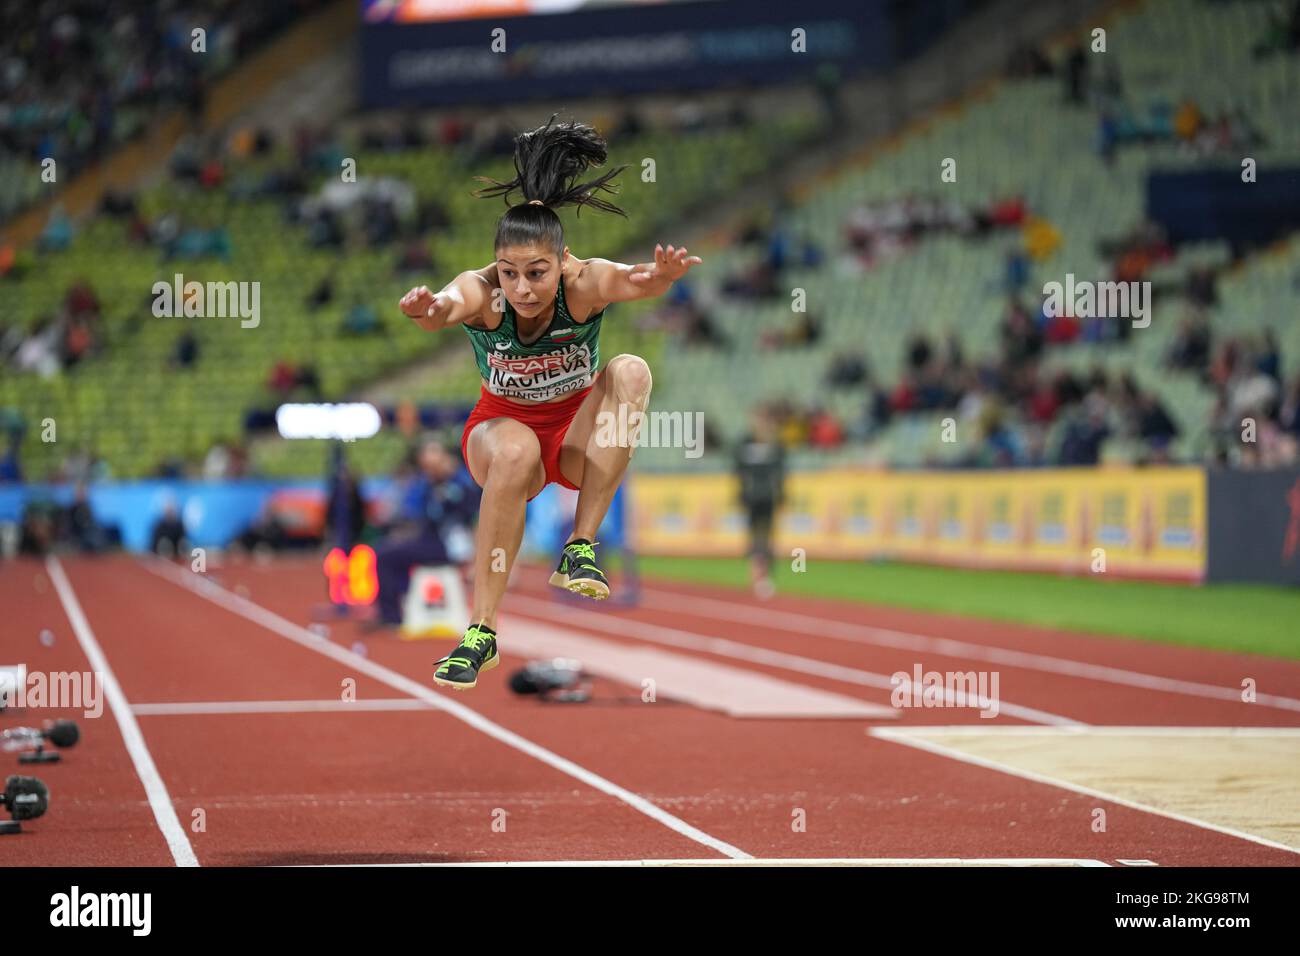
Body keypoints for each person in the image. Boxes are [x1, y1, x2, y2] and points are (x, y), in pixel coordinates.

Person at [398, 115, 702, 689]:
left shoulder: (582, 284)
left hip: (573, 437)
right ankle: (481, 631)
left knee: (631, 370)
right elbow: (442, 307)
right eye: (510, 274)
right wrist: (424, 308)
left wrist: (662, 276)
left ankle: (580, 546)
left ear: (562, 264)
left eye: (537, 274)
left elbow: (635, 282)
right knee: (513, 449)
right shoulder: (484, 292)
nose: (523, 289)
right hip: (499, 432)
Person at [373, 435, 480, 628]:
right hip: (429, 540)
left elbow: (472, 514)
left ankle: (390, 617)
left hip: (448, 546)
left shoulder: (462, 480)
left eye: (432, 454)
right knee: (391, 550)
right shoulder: (426, 482)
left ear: (446, 457)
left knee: (385, 556)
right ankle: (403, 604)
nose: (427, 461)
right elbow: (413, 512)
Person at [733, 409, 786, 599]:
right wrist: (740, 494)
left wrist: (781, 495)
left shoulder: (776, 447)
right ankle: (756, 573)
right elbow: (738, 471)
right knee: (754, 537)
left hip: (768, 498)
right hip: (752, 498)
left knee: (768, 537)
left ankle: (766, 574)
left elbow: (781, 474)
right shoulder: (745, 444)